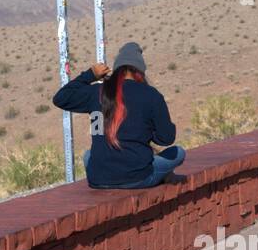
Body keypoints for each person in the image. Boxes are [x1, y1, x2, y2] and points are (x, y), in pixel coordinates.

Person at [52, 42, 185, 189]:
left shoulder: (98, 92)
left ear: (116, 69)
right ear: (140, 71)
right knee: (178, 152)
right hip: (137, 177)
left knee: (89, 155)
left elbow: (61, 98)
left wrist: (90, 75)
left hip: (98, 179)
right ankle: (164, 175)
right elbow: (166, 138)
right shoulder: (151, 95)